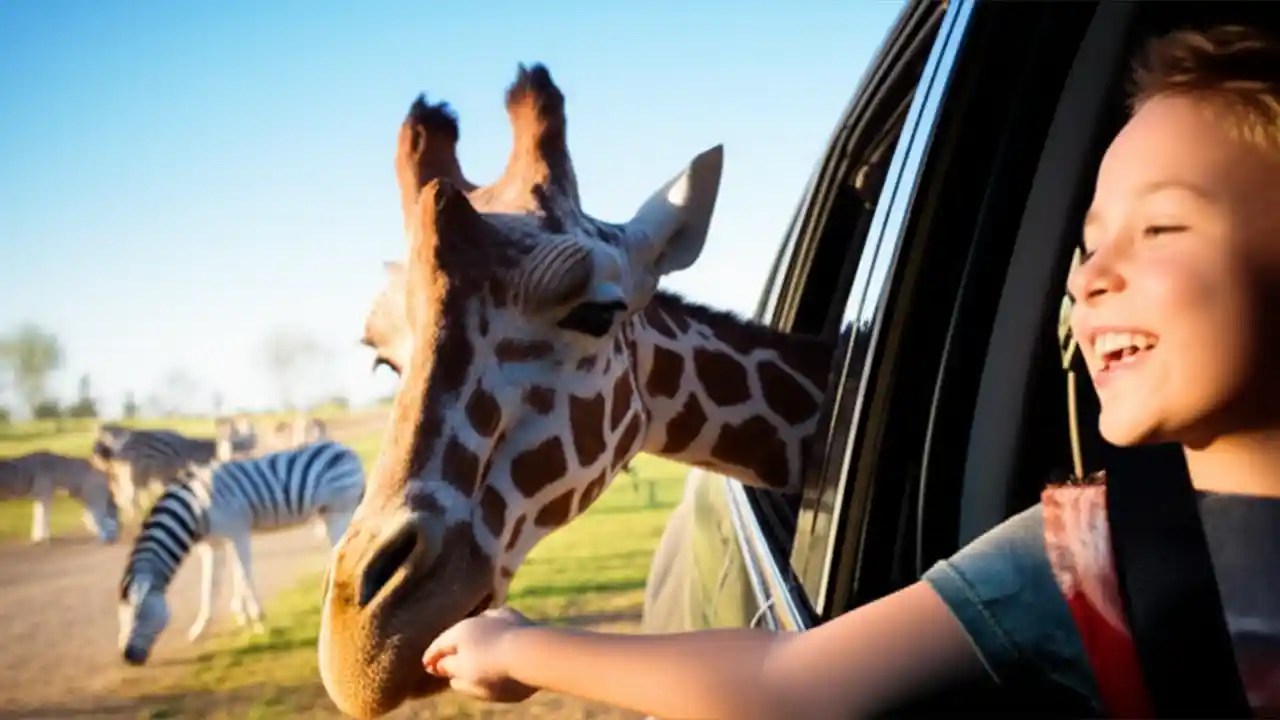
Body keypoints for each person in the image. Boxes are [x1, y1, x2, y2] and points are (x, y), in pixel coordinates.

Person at [421, 24, 1280, 718]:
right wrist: (521, 647)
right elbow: (793, 681)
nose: (1087, 277)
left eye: (1163, 229)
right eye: (1086, 245)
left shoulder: (1085, 561)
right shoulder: (1084, 556)